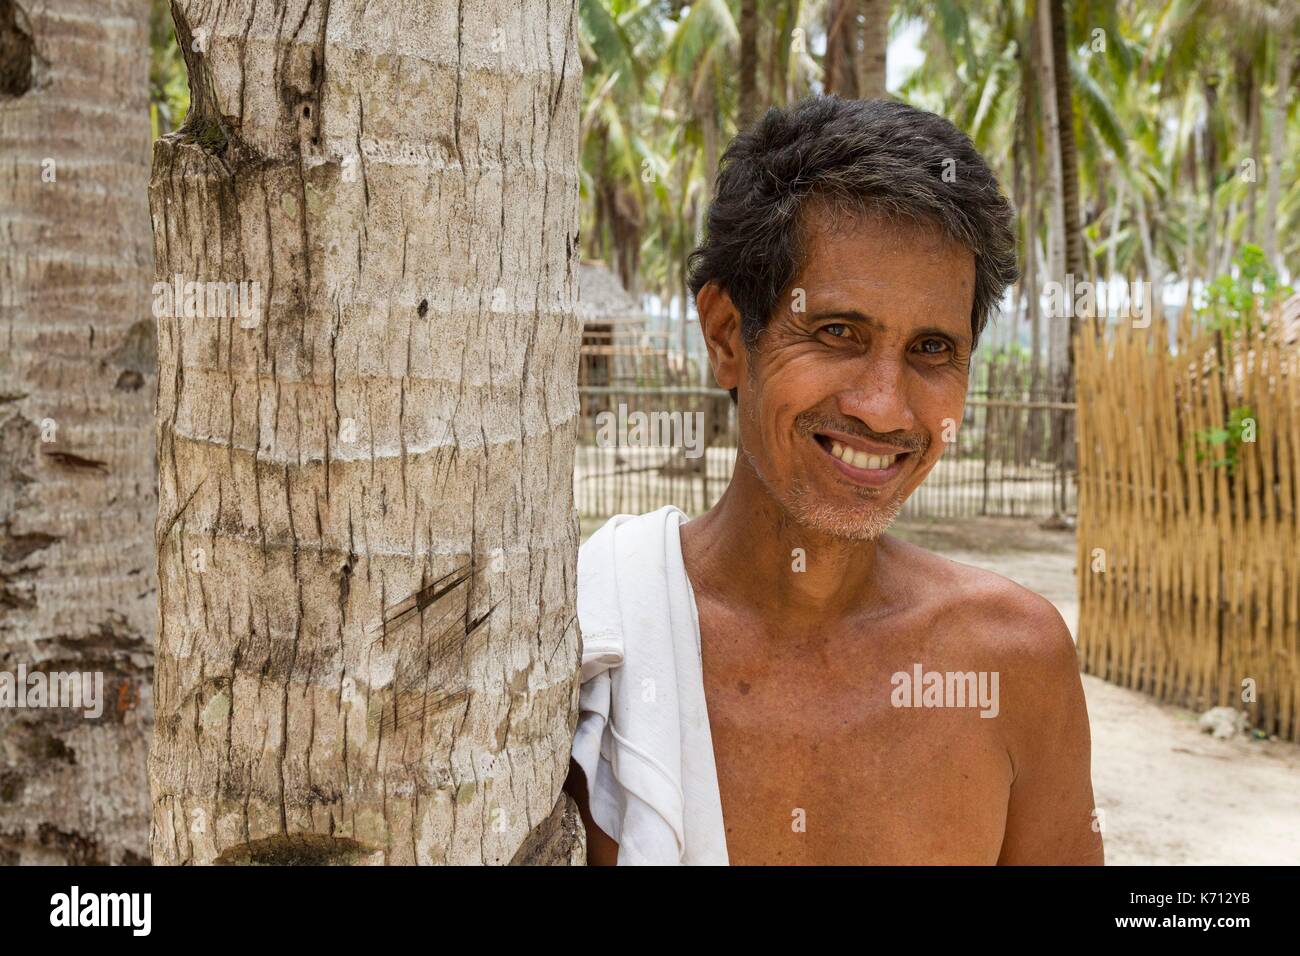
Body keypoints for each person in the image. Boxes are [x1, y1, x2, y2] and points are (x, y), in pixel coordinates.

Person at [563, 96, 1104, 866]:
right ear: (726, 336)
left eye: (931, 349)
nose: (883, 408)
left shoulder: (1012, 660)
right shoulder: (587, 646)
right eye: (837, 332)